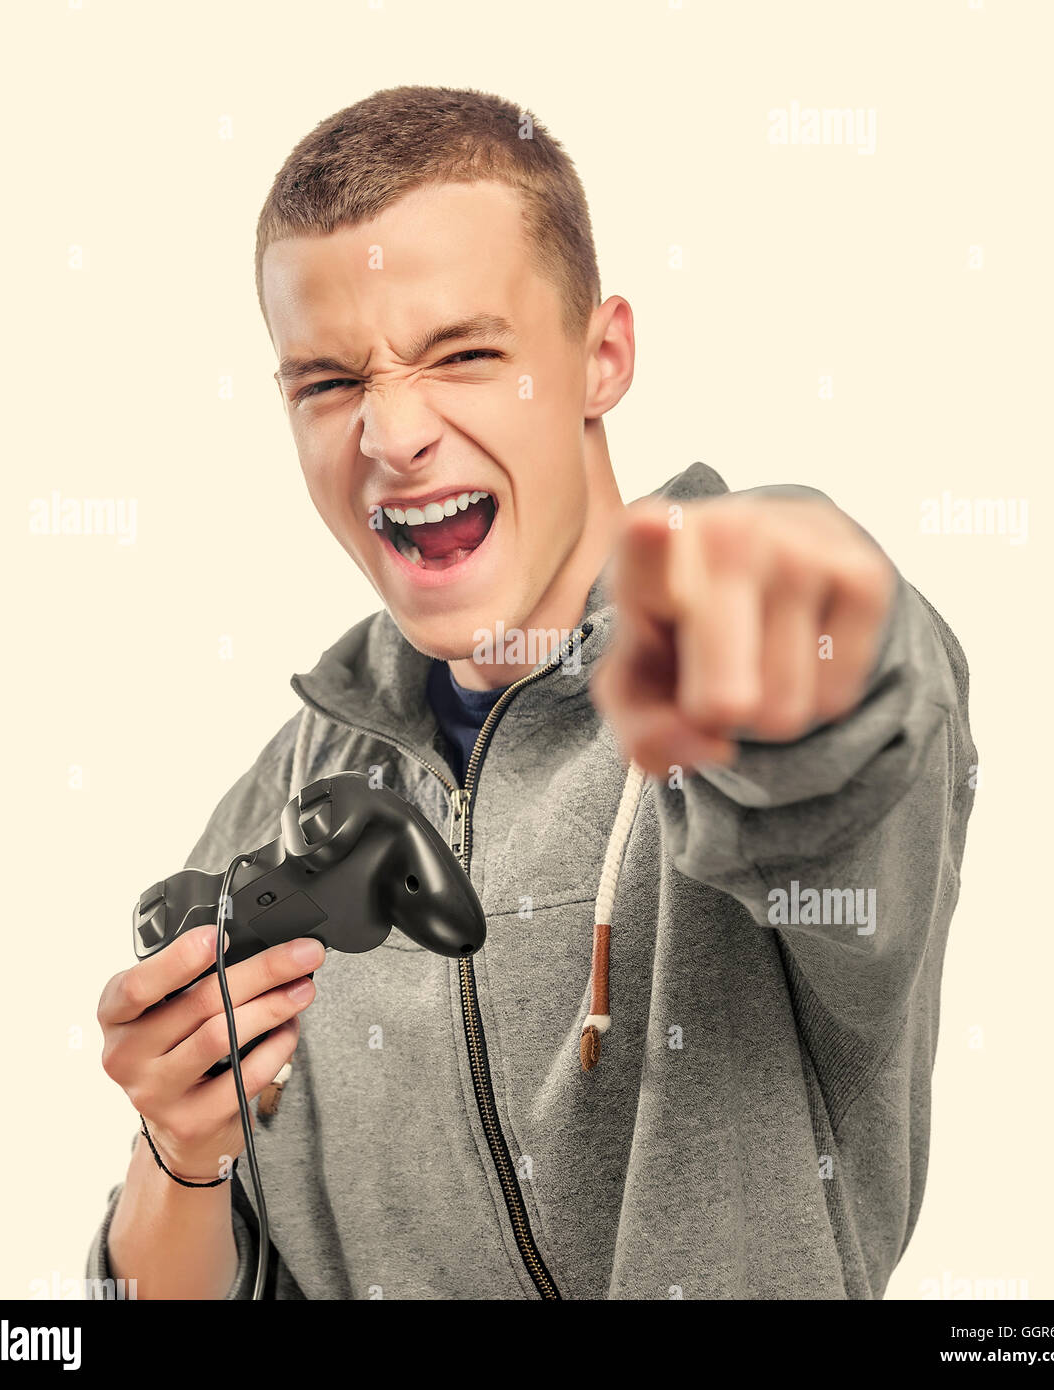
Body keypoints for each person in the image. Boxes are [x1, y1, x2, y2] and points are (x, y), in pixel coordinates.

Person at [89, 85, 976, 1300]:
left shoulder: (730, 666)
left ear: (602, 355)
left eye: (463, 355)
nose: (392, 433)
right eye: (330, 383)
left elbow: (851, 733)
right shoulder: (282, 795)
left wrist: (795, 621)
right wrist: (179, 1154)